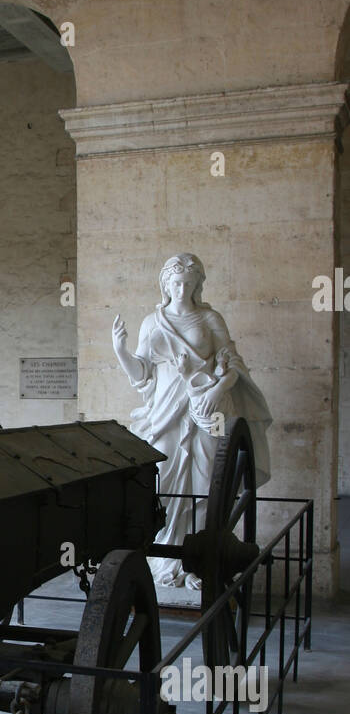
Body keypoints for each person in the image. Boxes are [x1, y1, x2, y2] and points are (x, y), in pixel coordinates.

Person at [112, 252, 271, 588]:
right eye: (176, 282)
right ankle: (163, 558)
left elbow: (233, 363)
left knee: (206, 479)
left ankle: (200, 558)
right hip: (164, 409)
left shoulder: (209, 319)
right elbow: (142, 372)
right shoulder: (152, 322)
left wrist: (218, 389)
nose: (182, 289)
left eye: (188, 283)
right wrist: (120, 351)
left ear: (198, 285)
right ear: (165, 285)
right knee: (163, 480)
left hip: (204, 405)